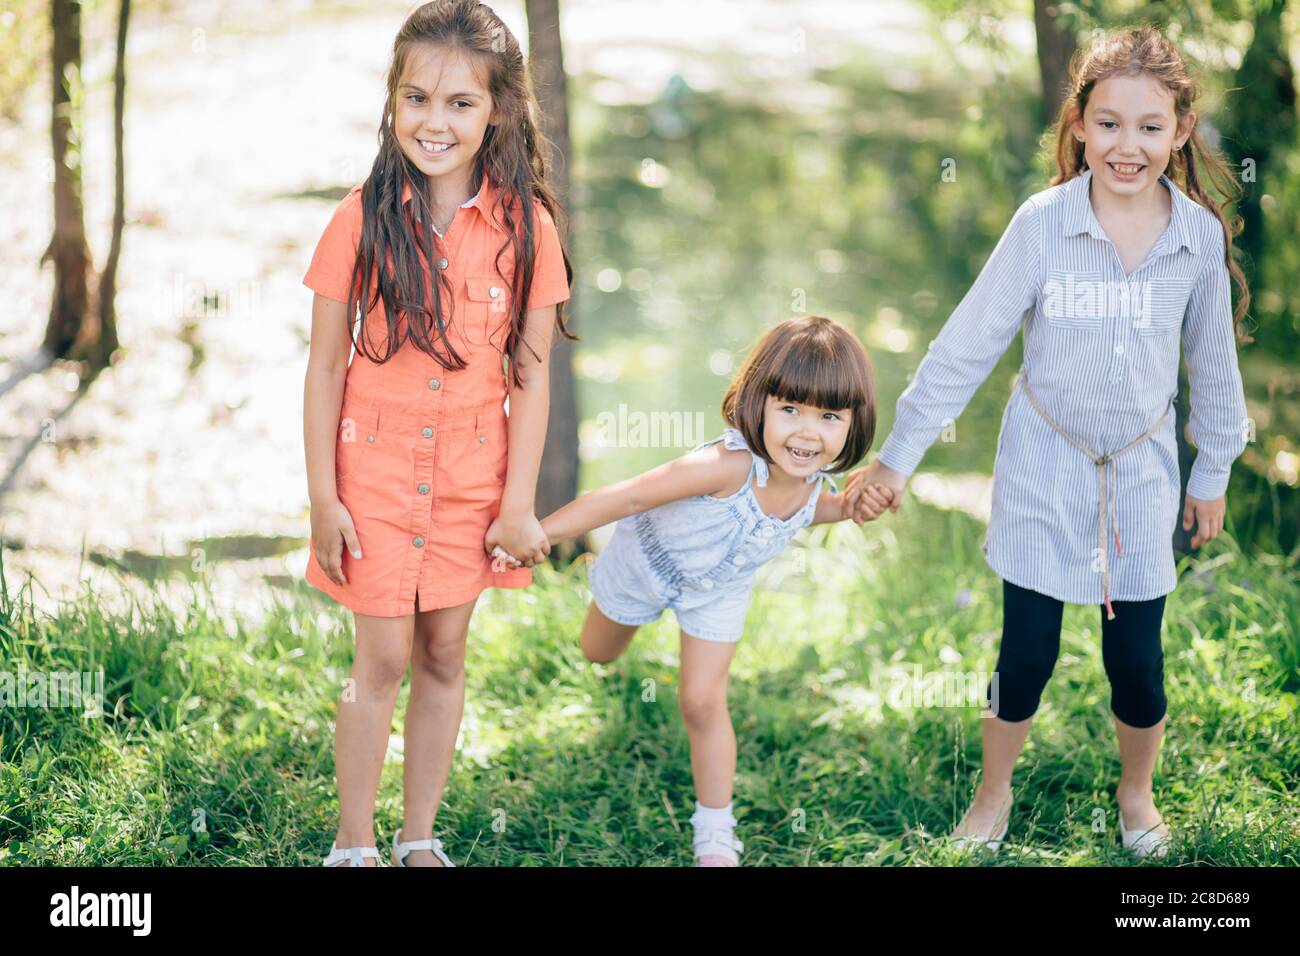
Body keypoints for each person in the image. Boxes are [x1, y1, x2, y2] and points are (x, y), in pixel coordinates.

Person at [847, 26, 1249, 858]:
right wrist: (896, 459)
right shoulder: (1042, 225)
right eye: (1107, 124)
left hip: (1141, 475)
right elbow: (963, 349)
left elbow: (1215, 370)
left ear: (1180, 132)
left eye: (1148, 127)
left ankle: (1136, 795)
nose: (1126, 146)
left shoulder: (1196, 240)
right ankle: (992, 796)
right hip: (1042, 462)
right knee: (1024, 649)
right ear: (1078, 126)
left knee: (1135, 660)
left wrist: (1209, 473)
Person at [302, 0, 573, 866]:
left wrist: (517, 504)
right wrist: (322, 499)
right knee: (380, 658)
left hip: (470, 480)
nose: (435, 120)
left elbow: (530, 379)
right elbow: (324, 369)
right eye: (417, 98)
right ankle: (354, 843)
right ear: (392, 101)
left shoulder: (529, 230)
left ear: (499, 110)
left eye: (461, 103)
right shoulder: (359, 217)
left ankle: (419, 836)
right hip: (372, 477)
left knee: (444, 653)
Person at [510, 315, 890, 865]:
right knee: (597, 652)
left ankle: (714, 829)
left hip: (718, 593)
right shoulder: (725, 466)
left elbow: (814, 511)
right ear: (758, 401)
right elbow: (629, 497)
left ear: (853, 425)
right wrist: (538, 532)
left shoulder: (811, 487)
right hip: (644, 564)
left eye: (829, 416)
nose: (808, 432)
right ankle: (608, 652)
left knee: (702, 702)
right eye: (790, 409)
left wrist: (856, 505)